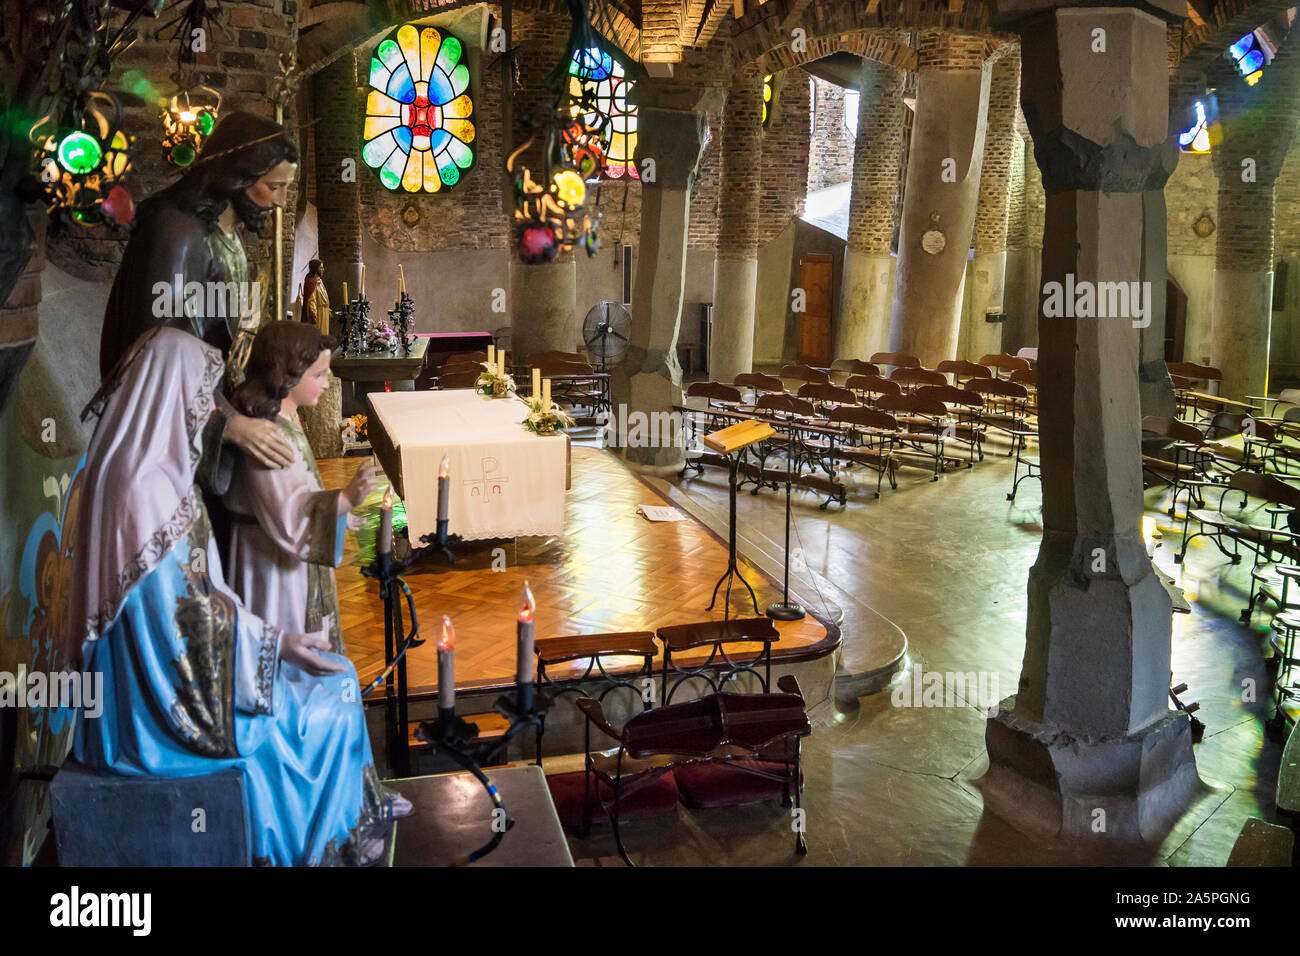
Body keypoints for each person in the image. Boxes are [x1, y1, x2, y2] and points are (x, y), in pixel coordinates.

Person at [66, 327, 390, 866]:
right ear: (171, 396)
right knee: (328, 704)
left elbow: (191, 605)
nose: (211, 413)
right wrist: (274, 644)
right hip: (165, 712)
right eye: (202, 396)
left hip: (166, 683)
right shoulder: (146, 495)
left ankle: (345, 825)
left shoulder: (141, 478)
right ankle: (317, 845)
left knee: (333, 689)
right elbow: (185, 621)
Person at [224, 321, 411, 828]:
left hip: (290, 566)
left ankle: (355, 791)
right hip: (272, 573)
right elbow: (286, 518)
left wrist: (342, 503)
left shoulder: (284, 423)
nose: (329, 381)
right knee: (298, 684)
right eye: (321, 373)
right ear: (288, 376)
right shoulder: (268, 436)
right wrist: (346, 499)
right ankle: (318, 793)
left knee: (322, 677)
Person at [97, 110, 302, 474]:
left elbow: (228, 345)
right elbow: (156, 357)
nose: (282, 202)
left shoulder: (229, 239)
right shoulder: (176, 233)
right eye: (274, 187)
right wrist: (230, 424)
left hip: (210, 424)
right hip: (160, 449)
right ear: (237, 177)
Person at [299, 259, 331, 332]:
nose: (323, 270)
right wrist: (315, 317)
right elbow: (311, 301)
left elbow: (323, 296)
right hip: (319, 315)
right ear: (315, 269)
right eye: (321, 268)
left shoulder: (319, 281)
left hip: (324, 312)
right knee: (319, 336)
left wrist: (327, 308)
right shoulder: (311, 283)